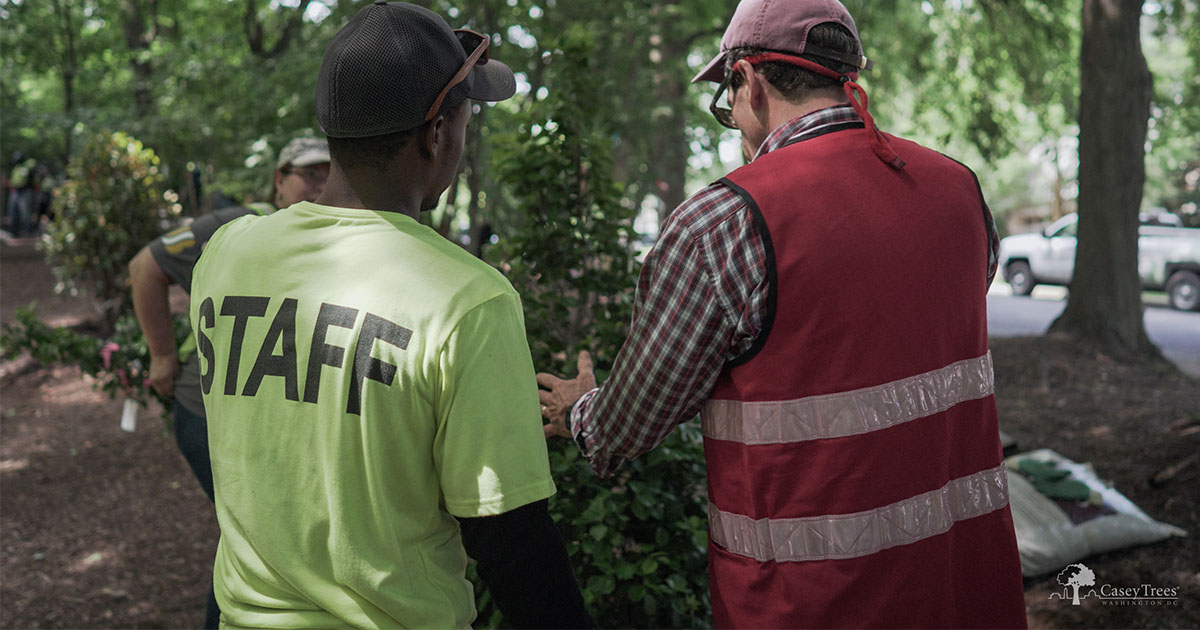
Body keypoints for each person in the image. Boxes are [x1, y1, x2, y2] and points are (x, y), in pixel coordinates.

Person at [537, 0, 1028, 627]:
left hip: (811, 604)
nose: (735, 123)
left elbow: (628, 426)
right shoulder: (960, 188)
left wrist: (583, 409)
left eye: (728, 101)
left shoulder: (722, 222)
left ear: (750, 80)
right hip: (964, 589)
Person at [188, 3, 591, 628]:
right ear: (437, 134)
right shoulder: (467, 300)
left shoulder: (226, 255)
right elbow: (511, 543)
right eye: (465, 119)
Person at [128, 135, 330, 628]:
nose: (321, 185)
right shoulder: (237, 225)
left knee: (261, 533)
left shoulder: (334, 232)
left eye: (330, 173)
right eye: (310, 175)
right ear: (279, 180)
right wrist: (161, 356)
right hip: (208, 413)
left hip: (271, 417)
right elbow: (144, 267)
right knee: (261, 537)